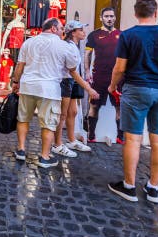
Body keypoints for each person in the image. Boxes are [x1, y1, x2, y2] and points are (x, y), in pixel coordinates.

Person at [107, 0, 158, 204]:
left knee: (133, 139)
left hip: (136, 88)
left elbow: (119, 68)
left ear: (135, 13)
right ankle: (153, 188)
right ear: (156, 12)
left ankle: (129, 186)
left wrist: (112, 86)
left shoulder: (128, 35)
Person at [9, 19, 99, 168]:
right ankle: (44, 157)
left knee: (23, 119)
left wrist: (16, 82)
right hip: (49, 90)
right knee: (48, 124)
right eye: (60, 28)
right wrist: (88, 88)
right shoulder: (63, 46)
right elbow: (72, 70)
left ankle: (21, 149)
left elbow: (20, 66)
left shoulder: (29, 42)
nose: (62, 31)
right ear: (53, 28)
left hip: (28, 86)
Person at [53, 20, 94, 157]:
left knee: (73, 112)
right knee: (62, 114)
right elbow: (72, 71)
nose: (84, 32)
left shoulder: (73, 45)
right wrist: (88, 87)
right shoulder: (68, 46)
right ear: (73, 32)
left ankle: (71, 140)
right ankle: (57, 144)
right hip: (65, 80)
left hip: (70, 81)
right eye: (81, 30)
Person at [84, 7, 121, 143]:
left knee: (119, 107)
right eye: (106, 16)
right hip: (99, 75)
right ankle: (91, 136)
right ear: (101, 18)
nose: (109, 19)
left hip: (117, 78)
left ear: (115, 18)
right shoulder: (94, 35)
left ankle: (120, 137)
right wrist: (87, 71)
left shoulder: (121, 35)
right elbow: (87, 54)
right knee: (94, 106)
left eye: (111, 16)